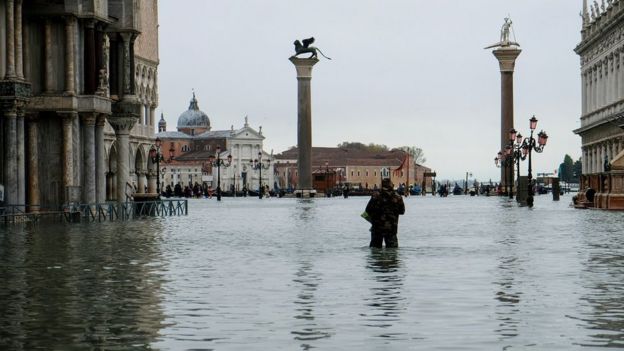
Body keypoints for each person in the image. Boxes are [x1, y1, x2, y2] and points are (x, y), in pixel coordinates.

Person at [365, 178, 405, 248]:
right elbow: (402, 211)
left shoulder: (375, 196)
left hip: (377, 228)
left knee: (375, 251)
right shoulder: (398, 197)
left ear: (382, 185)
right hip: (391, 228)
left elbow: (367, 210)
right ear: (391, 185)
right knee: (392, 251)